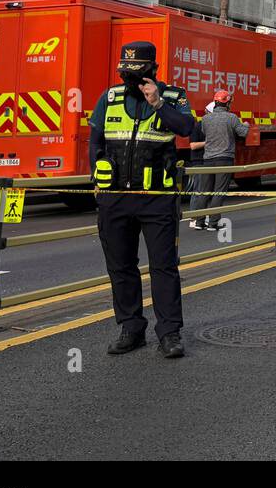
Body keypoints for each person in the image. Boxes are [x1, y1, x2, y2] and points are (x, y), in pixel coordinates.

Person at [89, 41, 195, 359]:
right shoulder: (109, 99)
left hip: (157, 199)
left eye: (137, 73)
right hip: (115, 198)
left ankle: (169, 333)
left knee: (163, 267)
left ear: (153, 70)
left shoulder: (174, 96)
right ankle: (131, 328)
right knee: (120, 266)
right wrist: (96, 177)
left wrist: (159, 103)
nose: (130, 80)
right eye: (126, 73)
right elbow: (95, 141)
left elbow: (187, 128)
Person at [188, 88, 249, 230]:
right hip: (224, 159)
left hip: (207, 159)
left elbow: (205, 132)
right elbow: (242, 133)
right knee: (218, 191)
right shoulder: (232, 118)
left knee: (205, 191)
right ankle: (213, 223)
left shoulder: (205, 119)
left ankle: (199, 221)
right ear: (227, 103)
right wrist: (246, 125)